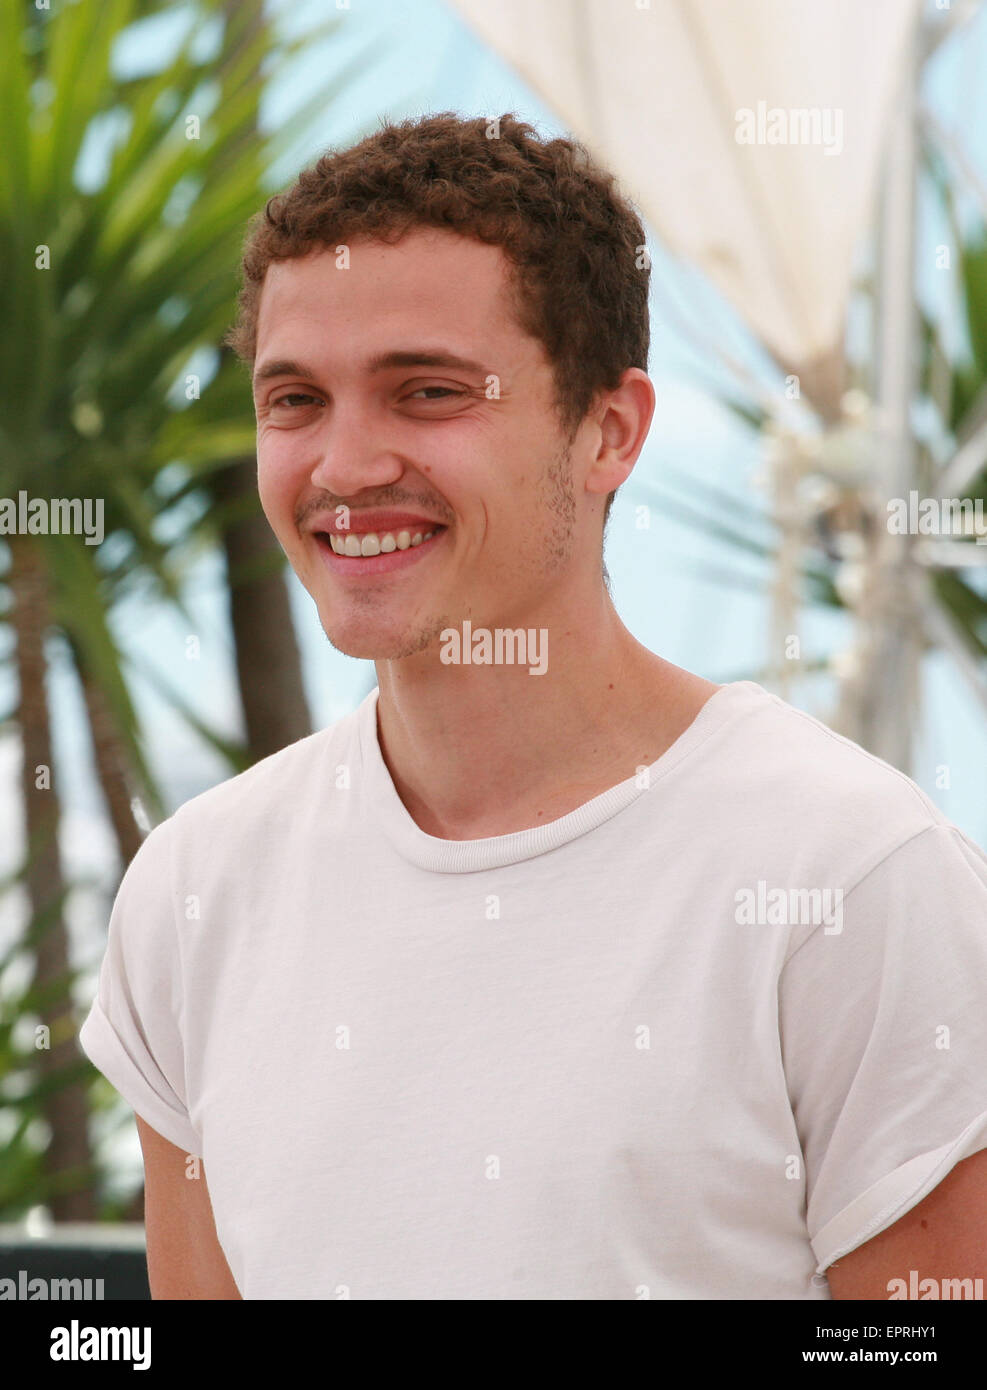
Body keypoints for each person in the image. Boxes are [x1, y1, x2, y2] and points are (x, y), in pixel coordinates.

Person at [80, 111, 987, 1301]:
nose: (344, 467)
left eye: (428, 391)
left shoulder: (855, 879)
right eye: (294, 400)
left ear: (609, 430)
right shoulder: (195, 894)